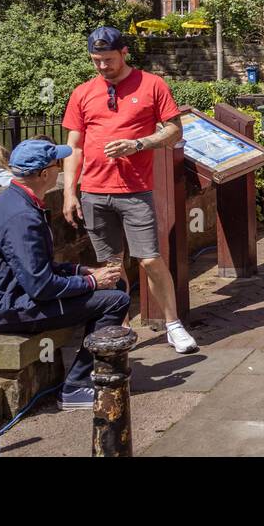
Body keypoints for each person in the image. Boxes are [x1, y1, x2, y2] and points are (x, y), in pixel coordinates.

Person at [61, 26, 197, 353]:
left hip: (135, 190)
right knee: (110, 264)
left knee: (149, 259)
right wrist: (69, 191)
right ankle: (119, 325)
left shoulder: (152, 85)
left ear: (124, 53)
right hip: (94, 190)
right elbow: (74, 147)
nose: (102, 67)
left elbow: (173, 131)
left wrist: (138, 144)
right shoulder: (83, 92)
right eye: (96, 60)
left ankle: (173, 324)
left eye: (108, 59)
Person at [0, 139, 129, 410]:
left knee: (110, 294)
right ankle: (76, 386)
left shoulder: (17, 201)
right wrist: (93, 281)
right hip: (9, 308)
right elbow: (41, 286)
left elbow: (35, 268)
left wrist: (80, 271)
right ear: (44, 174)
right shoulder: (22, 218)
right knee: (116, 300)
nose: (61, 168)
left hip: (14, 298)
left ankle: (82, 378)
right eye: (57, 163)